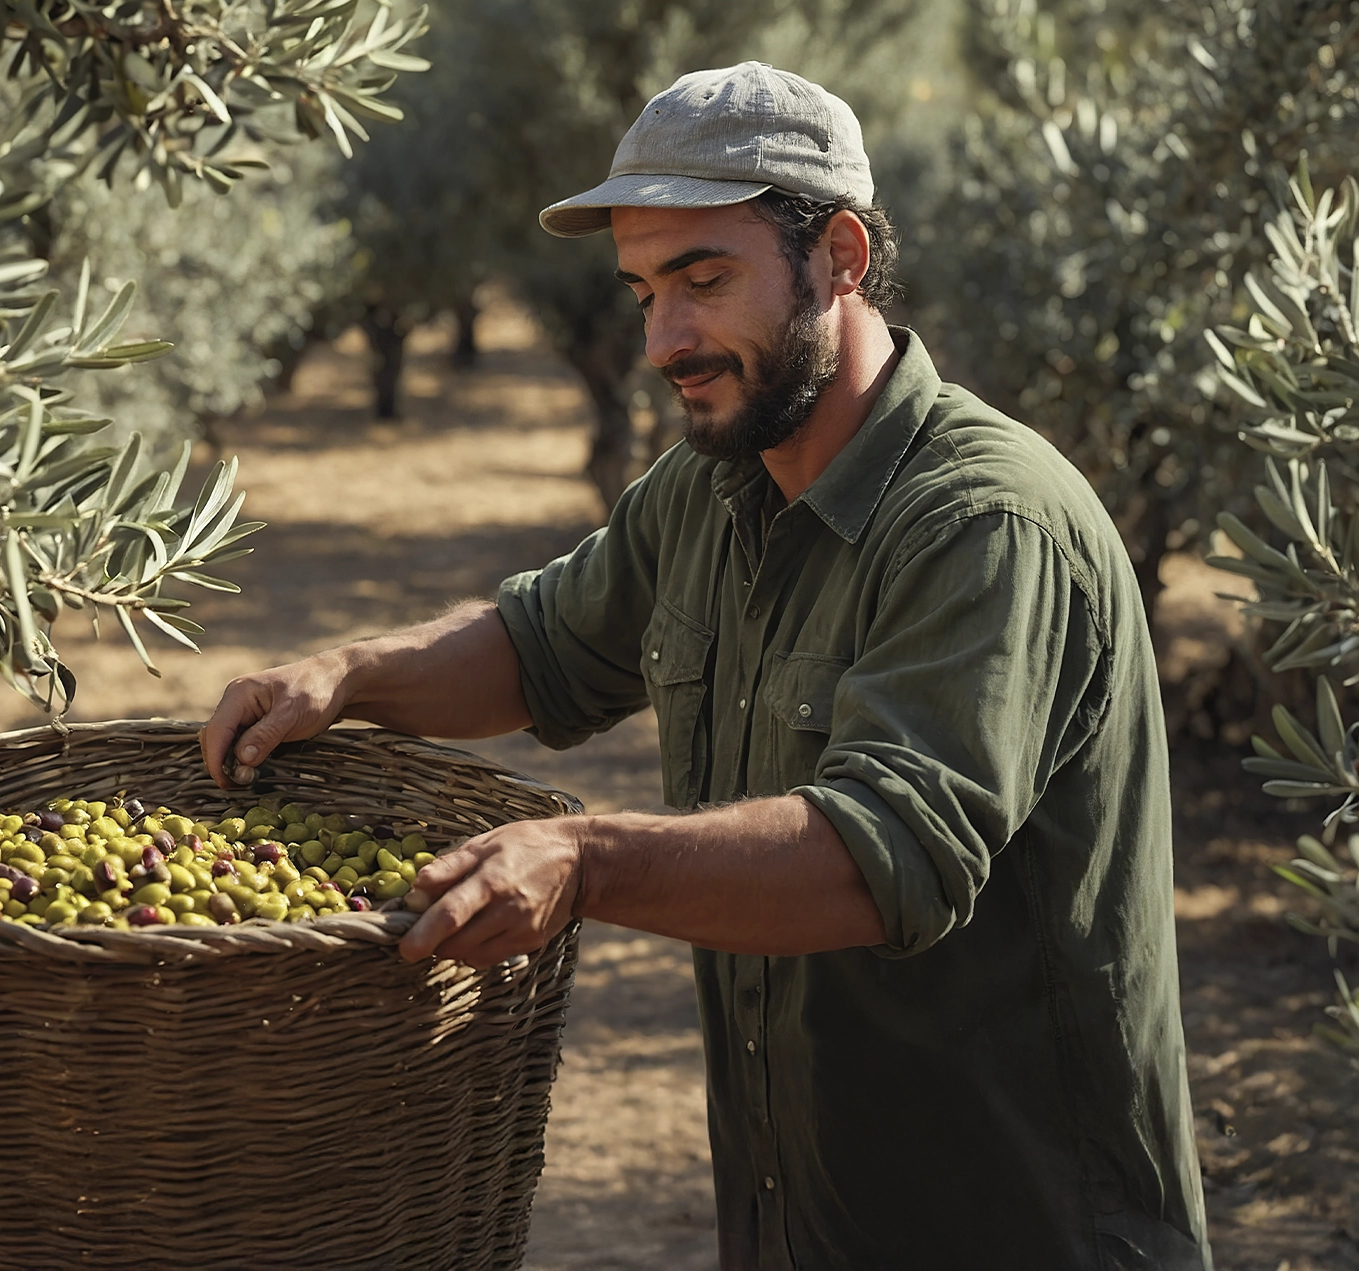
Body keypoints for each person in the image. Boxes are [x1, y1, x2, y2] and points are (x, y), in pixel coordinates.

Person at [199, 62, 1209, 1270]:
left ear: (839, 256)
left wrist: (581, 859)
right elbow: (538, 646)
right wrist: (349, 674)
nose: (664, 339)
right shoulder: (712, 484)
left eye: (704, 280)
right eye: (639, 293)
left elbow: (878, 860)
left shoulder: (985, 523)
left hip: (1019, 1227)